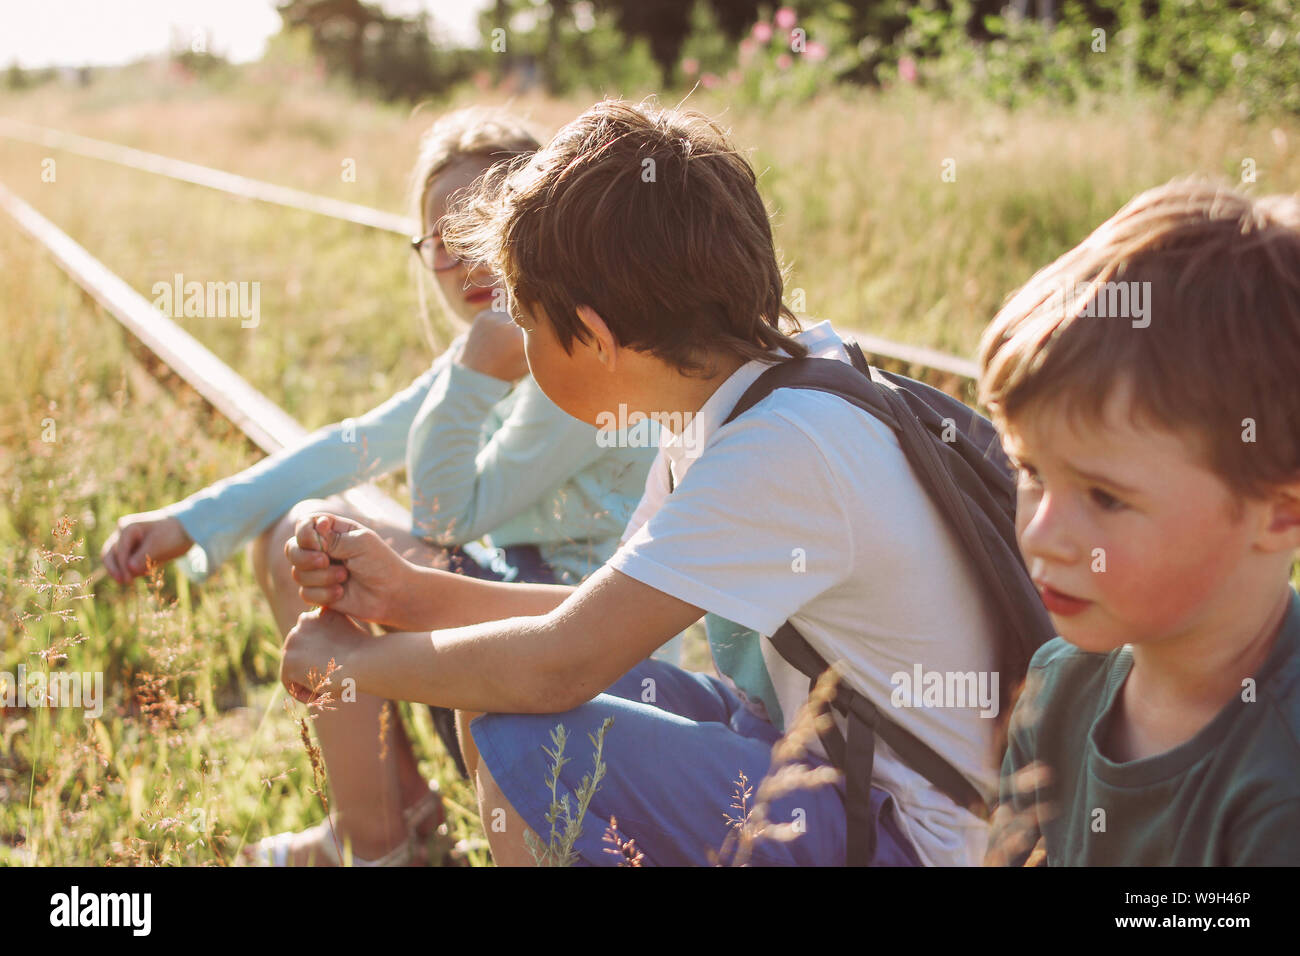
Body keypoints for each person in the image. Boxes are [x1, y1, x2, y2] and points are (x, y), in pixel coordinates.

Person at [277, 98, 1009, 866]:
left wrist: (348, 668)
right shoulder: (748, 398)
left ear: (592, 337)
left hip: (905, 836)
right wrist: (402, 596)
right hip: (821, 757)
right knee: (502, 699)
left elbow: (563, 661)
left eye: (525, 326)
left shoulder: (779, 450)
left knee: (515, 720)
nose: (520, 345)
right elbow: (597, 619)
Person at [99, 107, 660, 866]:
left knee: (322, 543)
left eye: (483, 228)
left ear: (534, 226)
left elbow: (444, 511)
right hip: (513, 589)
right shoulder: (504, 338)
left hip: (580, 642)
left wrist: (467, 376)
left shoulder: (568, 353)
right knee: (308, 526)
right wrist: (190, 520)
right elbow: (354, 444)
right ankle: (398, 820)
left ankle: (374, 848)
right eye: (440, 241)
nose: (463, 260)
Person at [978, 179, 1300, 865]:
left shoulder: (1282, 779)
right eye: (1032, 471)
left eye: (1105, 497)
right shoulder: (1059, 683)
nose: (1039, 534)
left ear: (1281, 511)